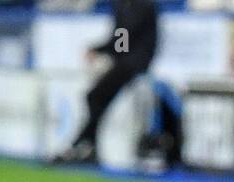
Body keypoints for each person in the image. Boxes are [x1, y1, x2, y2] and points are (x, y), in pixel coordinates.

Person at [55, 0, 159, 166]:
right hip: (125, 62)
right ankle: (87, 145)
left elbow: (125, 35)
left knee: (95, 97)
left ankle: (81, 143)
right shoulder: (123, 5)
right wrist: (101, 50)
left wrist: (102, 50)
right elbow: (120, 40)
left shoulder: (140, 5)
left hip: (134, 63)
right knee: (95, 99)